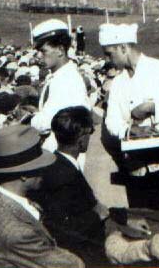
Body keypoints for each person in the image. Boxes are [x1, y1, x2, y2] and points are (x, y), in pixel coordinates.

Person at [101, 22, 159, 210]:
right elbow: (112, 121)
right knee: (142, 219)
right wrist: (130, 130)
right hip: (136, 167)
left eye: (110, 54)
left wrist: (152, 108)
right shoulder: (118, 82)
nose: (108, 60)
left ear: (123, 48)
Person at [0, 124, 84, 268]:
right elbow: (71, 265)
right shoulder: (19, 234)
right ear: (24, 174)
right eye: (39, 165)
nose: (45, 169)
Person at [32, 106, 105, 265]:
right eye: (90, 133)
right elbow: (64, 228)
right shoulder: (66, 175)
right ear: (81, 139)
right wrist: (99, 215)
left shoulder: (56, 162)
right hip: (80, 254)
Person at [30, 20, 91, 145]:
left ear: (60, 50)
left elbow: (47, 122)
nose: (39, 56)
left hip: (62, 150)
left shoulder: (67, 80)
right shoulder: (57, 75)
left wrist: (29, 118)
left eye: (44, 51)